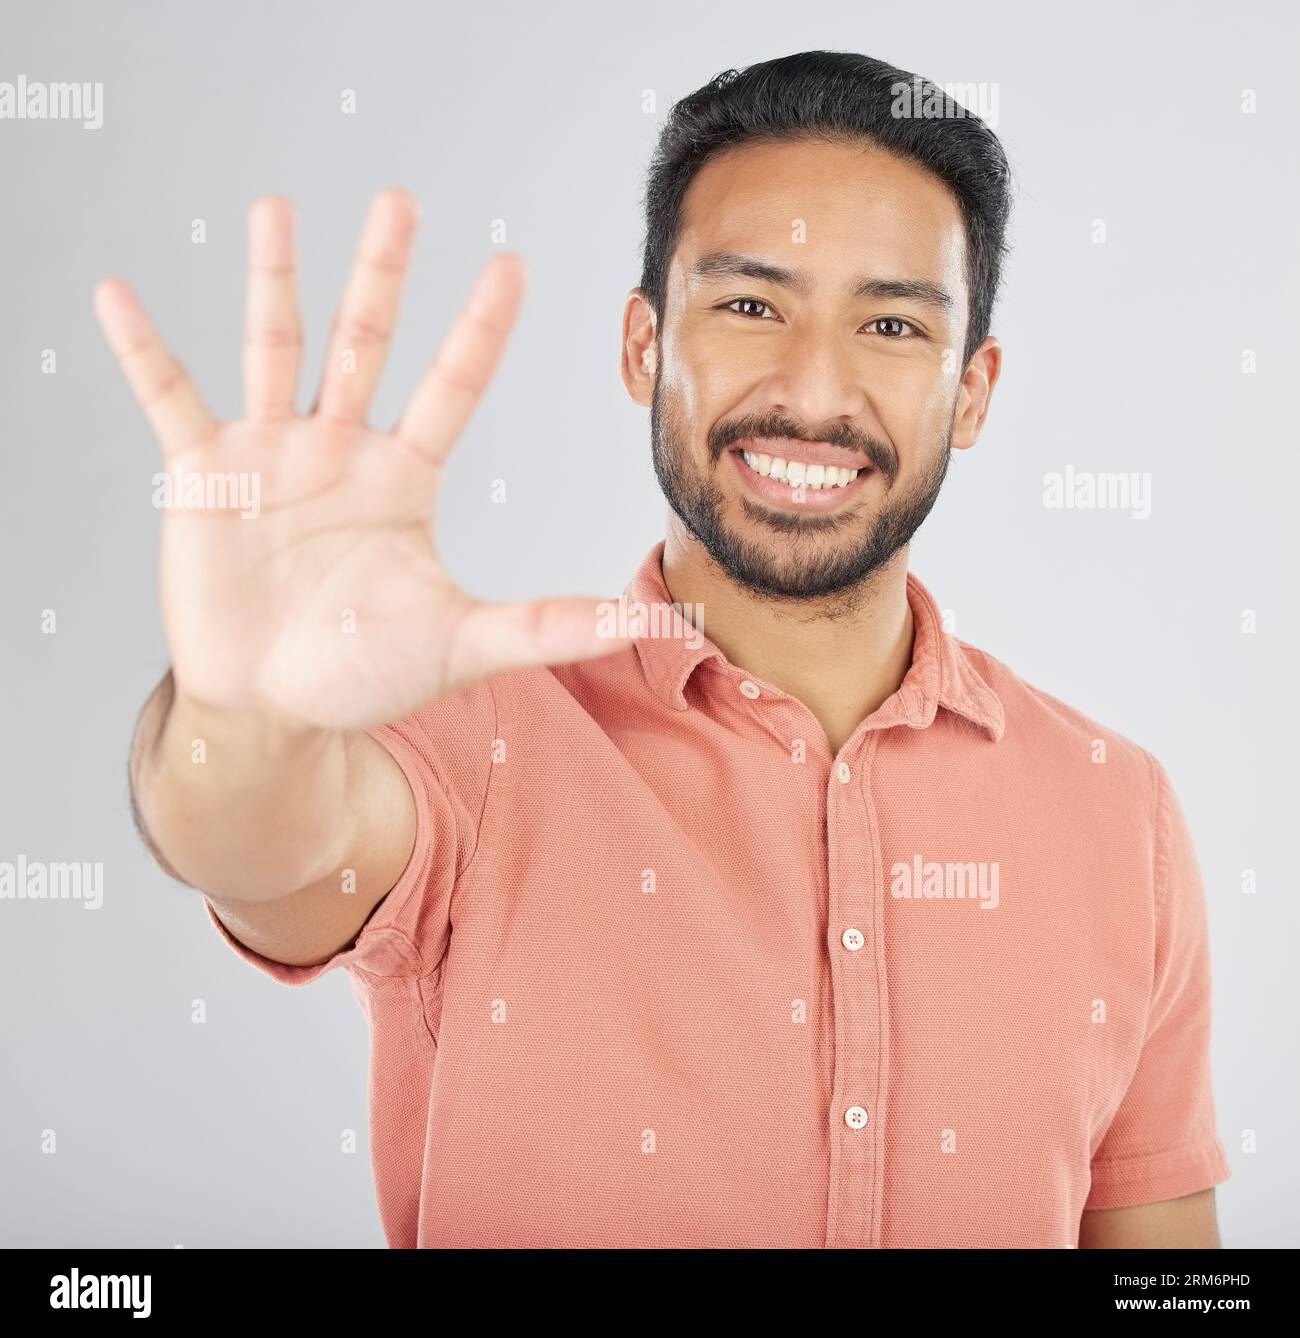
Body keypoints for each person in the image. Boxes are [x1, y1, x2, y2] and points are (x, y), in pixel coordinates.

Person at [95, 50, 1231, 1248]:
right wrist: (246, 711)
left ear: (972, 392)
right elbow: (255, 850)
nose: (814, 388)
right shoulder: (477, 739)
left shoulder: (1120, 817)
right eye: (750, 305)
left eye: (892, 323)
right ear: (644, 344)